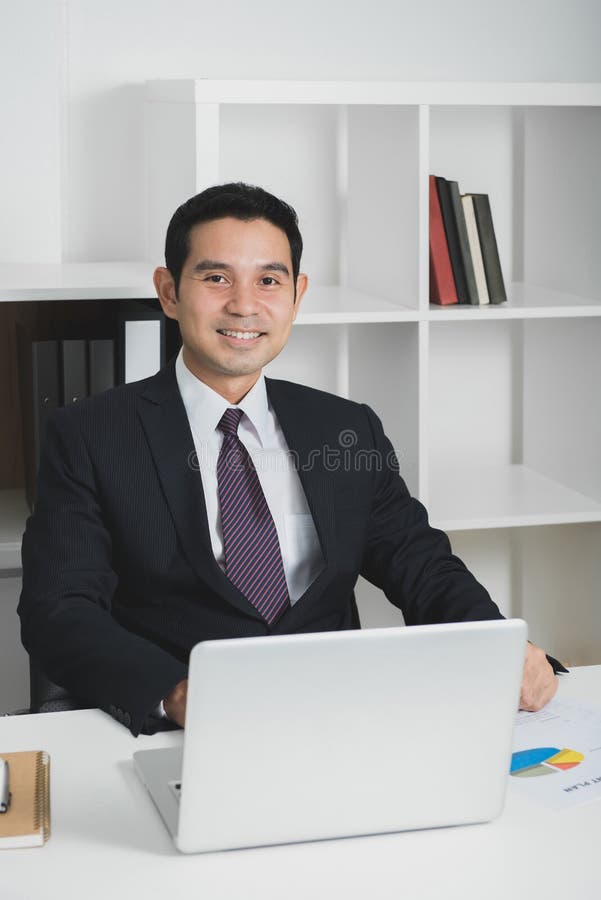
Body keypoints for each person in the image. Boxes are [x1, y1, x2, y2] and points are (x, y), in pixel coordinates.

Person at [19, 183, 559, 735]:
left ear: (297, 295)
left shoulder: (346, 428)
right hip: (188, 730)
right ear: (169, 292)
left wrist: (501, 644)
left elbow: (422, 565)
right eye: (216, 277)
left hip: (340, 720)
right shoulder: (89, 434)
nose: (244, 304)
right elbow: (59, 610)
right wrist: (177, 694)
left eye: (269, 280)